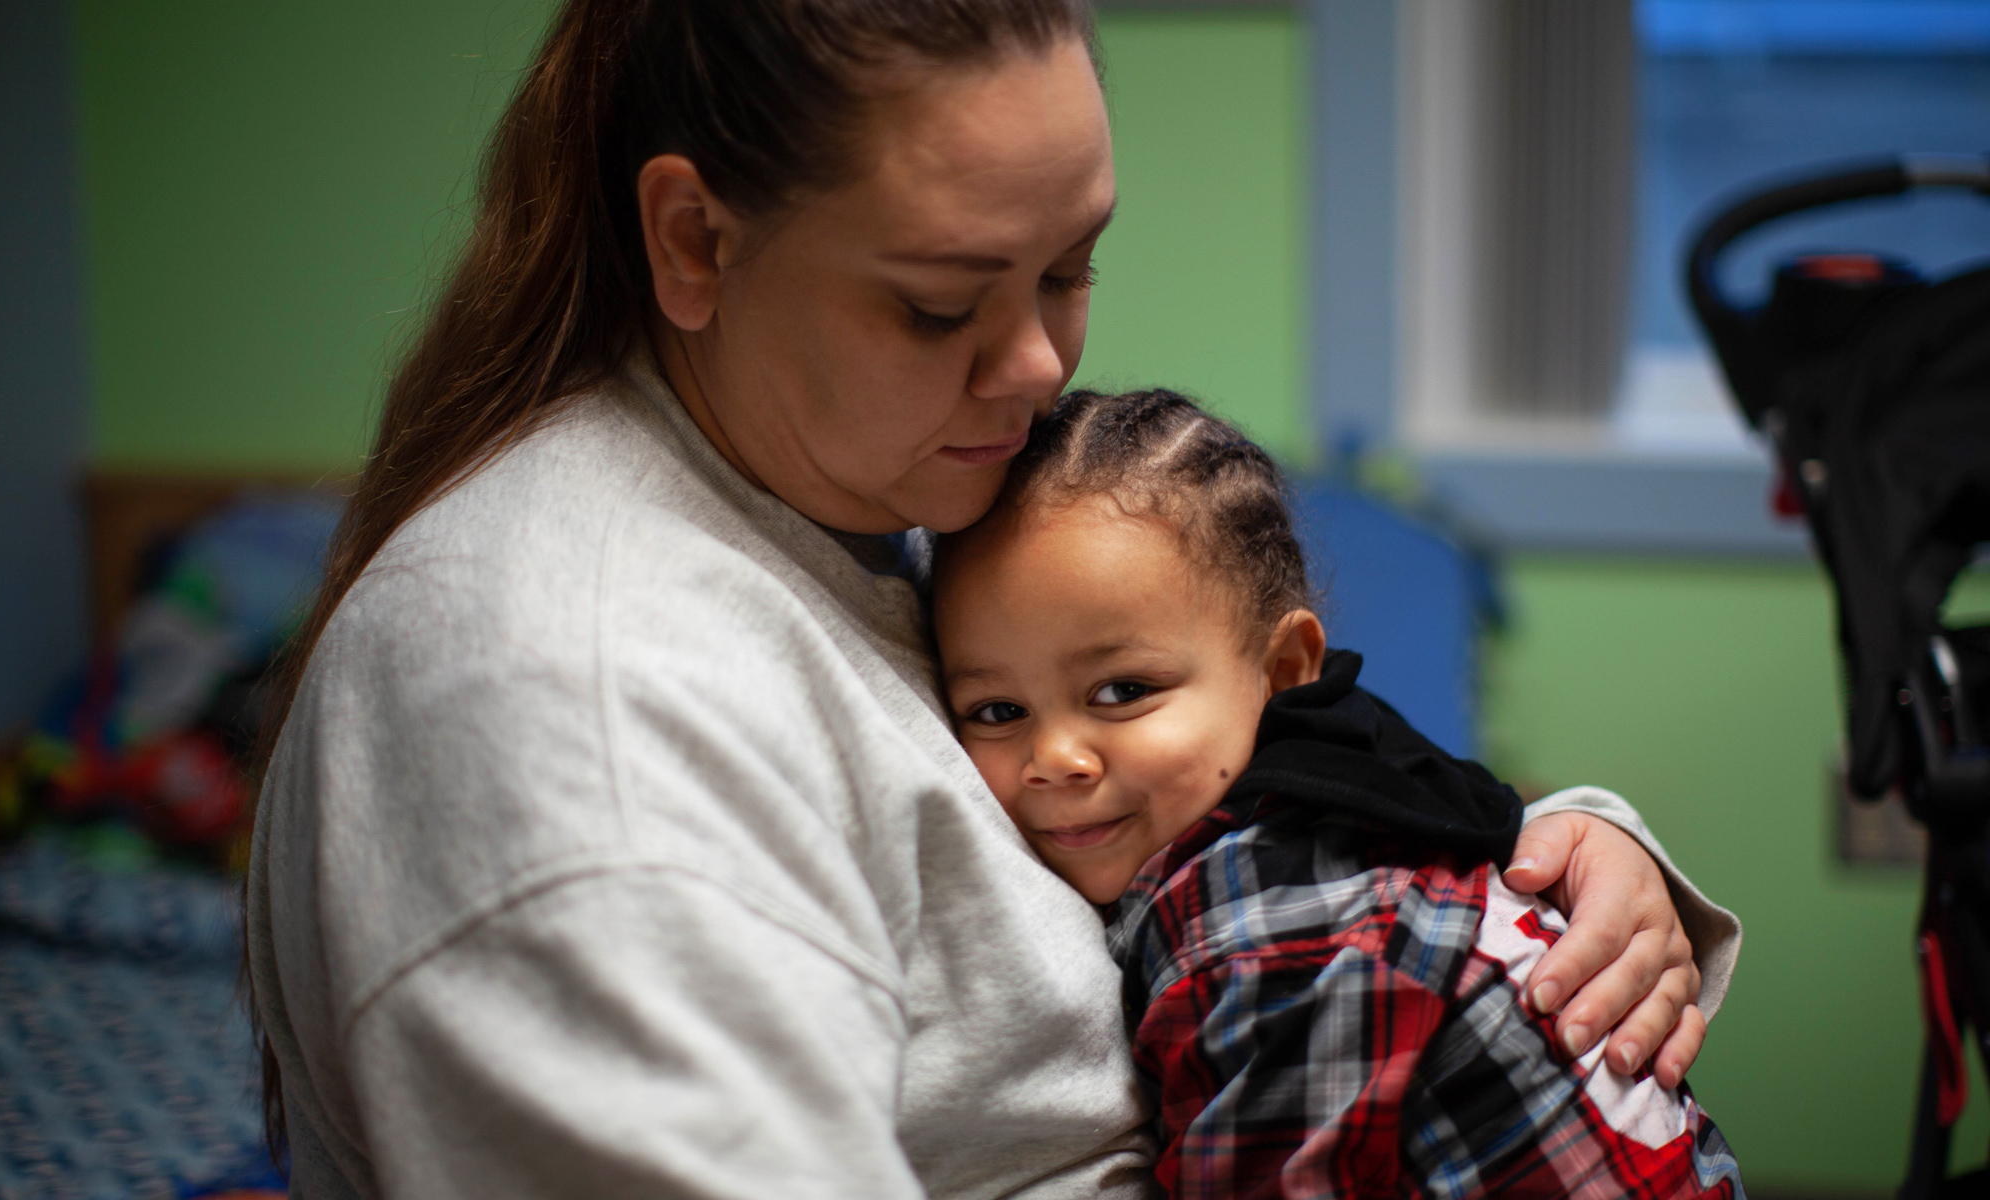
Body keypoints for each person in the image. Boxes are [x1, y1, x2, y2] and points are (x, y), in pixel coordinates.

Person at [246, 2, 1739, 1196]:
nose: (1037, 369)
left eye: (1073, 269)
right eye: (942, 304)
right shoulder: (572, 703)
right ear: (696, 243)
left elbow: (1258, 814)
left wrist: (1552, 859)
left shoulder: (870, 491)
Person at [933, 389, 1744, 1198]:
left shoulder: (1273, 923)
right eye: (998, 711)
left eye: (1122, 691)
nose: (1057, 757)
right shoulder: (1322, 778)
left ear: (1284, 672)